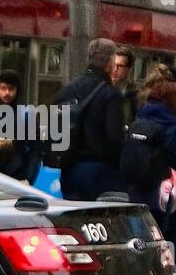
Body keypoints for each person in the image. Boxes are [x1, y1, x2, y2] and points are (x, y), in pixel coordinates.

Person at [126, 64, 176, 241]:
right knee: (171, 251)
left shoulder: (139, 121)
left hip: (137, 195)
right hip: (169, 203)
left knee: (142, 245)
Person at [52, 38, 128, 200]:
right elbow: (114, 140)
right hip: (101, 174)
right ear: (110, 63)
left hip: (69, 172)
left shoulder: (67, 90)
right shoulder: (111, 95)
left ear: (89, 58)